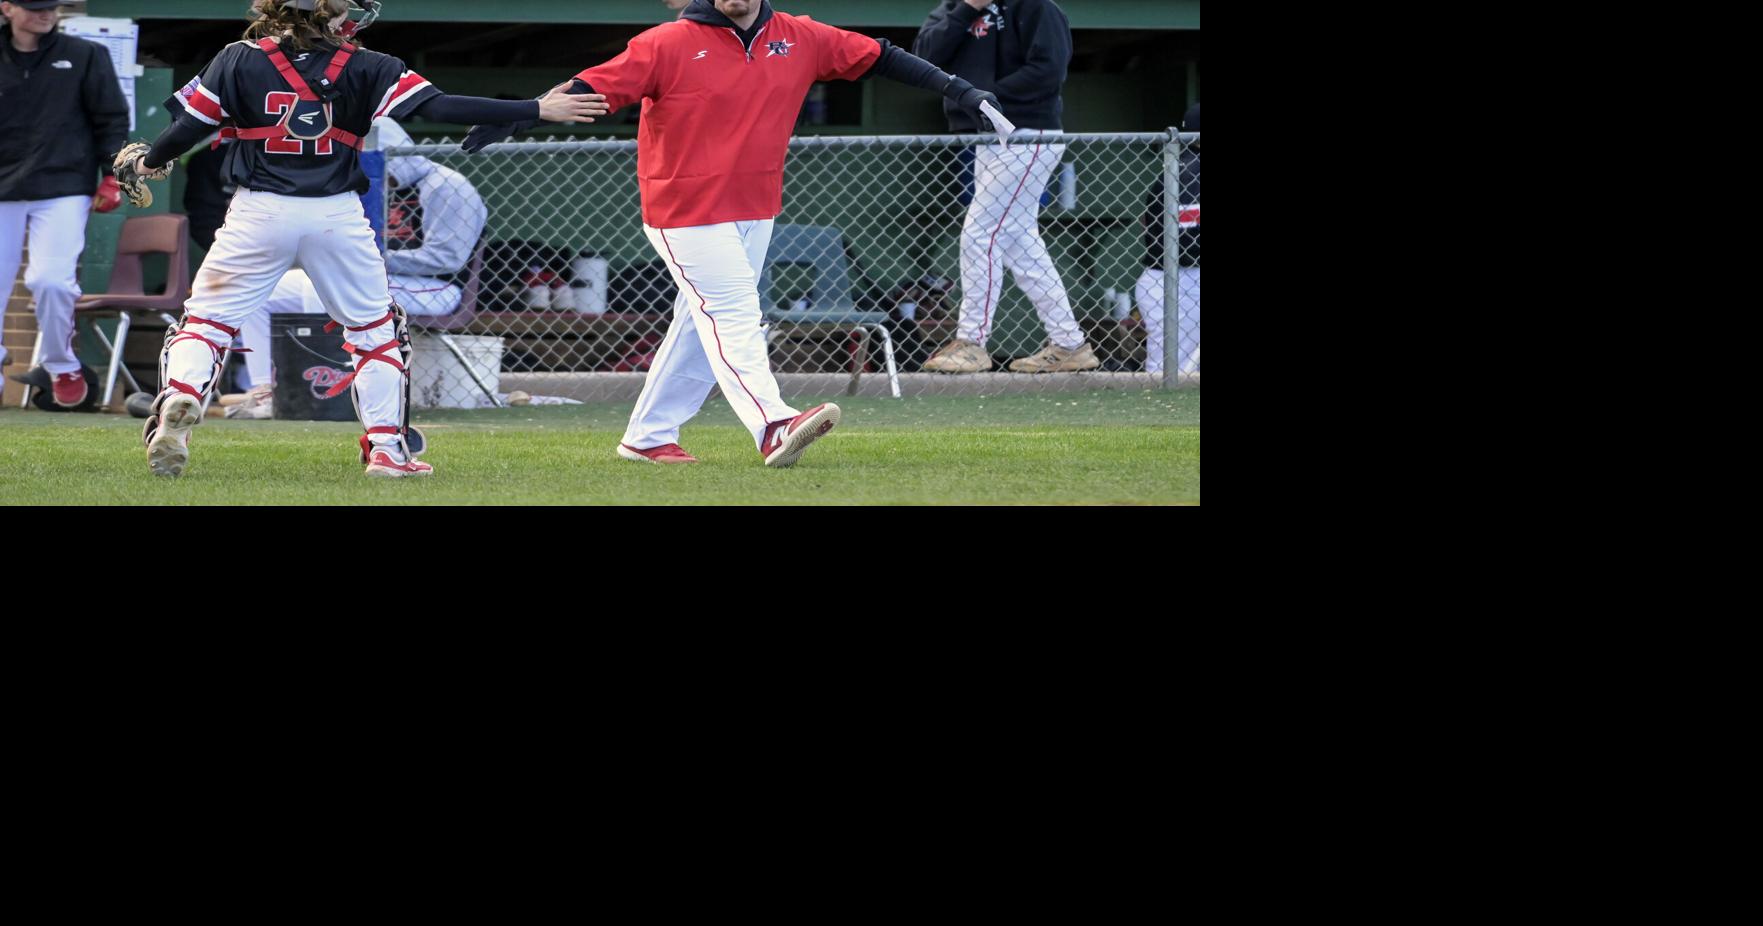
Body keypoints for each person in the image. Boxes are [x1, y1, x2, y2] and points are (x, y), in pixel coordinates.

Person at [465, 0, 1002, 467]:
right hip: (683, 208)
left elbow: (881, 55)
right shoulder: (666, 42)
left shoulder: (802, 36)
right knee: (734, 311)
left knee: (699, 325)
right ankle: (773, 424)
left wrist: (959, 89)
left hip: (755, 206)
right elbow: (592, 86)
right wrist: (519, 114)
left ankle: (647, 437)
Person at [120, 0, 604, 477]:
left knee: (206, 323)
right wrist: (536, 108)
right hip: (335, 213)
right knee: (375, 334)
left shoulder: (236, 57)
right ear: (331, 13)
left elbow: (188, 128)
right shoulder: (371, 64)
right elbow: (440, 105)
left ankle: (183, 395)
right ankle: (388, 450)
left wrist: (146, 162)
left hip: (259, 210)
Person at [912, 0, 1094, 375]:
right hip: (986, 136)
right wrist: (967, 9)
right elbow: (925, 59)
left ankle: (972, 342)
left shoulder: (1036, 6)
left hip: (1028, 132)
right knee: (1021, 243)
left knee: (980, 233)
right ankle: (1069, 343)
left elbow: (1047, 70)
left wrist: (984, 97)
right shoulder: (955, 8)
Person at [0, 0, 130, 408]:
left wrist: (114, 174)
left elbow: (111, 118)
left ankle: (61, 363)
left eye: (51, 6)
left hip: (64, 184)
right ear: (7, 7)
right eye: (34, 6)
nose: (45, 13)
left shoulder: (86, 54)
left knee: (51, 281)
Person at [1134, 102, 1199, 376]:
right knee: (1171, 372)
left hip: (1182, 280)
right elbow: (1186, 242)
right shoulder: (1190, 172)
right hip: (1180, 281)